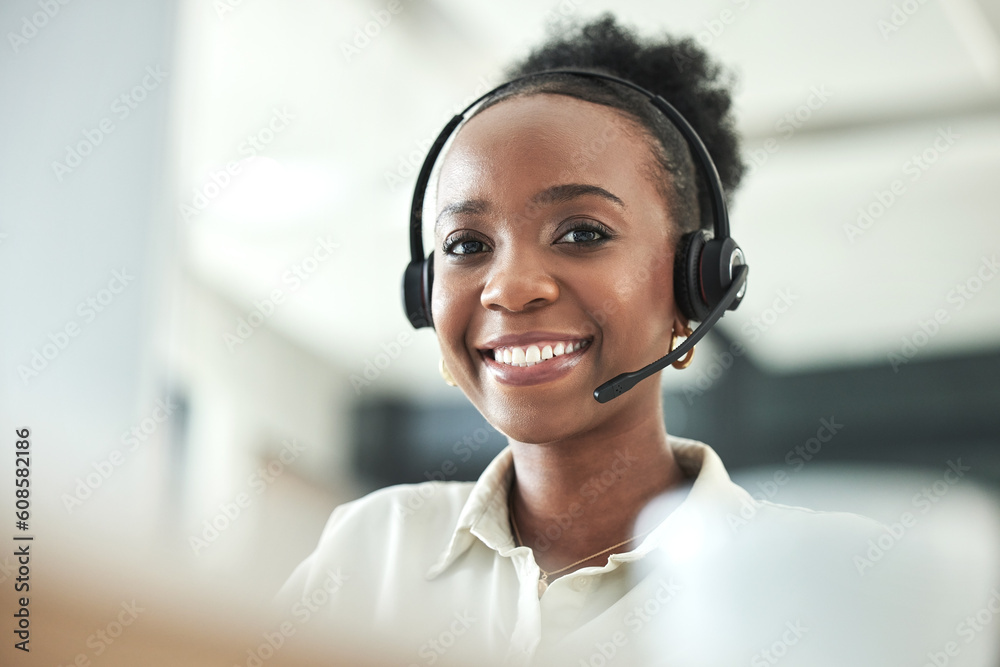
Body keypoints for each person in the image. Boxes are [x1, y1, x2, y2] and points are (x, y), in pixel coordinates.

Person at [274, 15, 941, 666]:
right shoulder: (372, 549)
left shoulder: (830, 578)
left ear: (693, 289)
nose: (510, 287)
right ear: (425, 293)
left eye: (583, 233)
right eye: (468, 244)